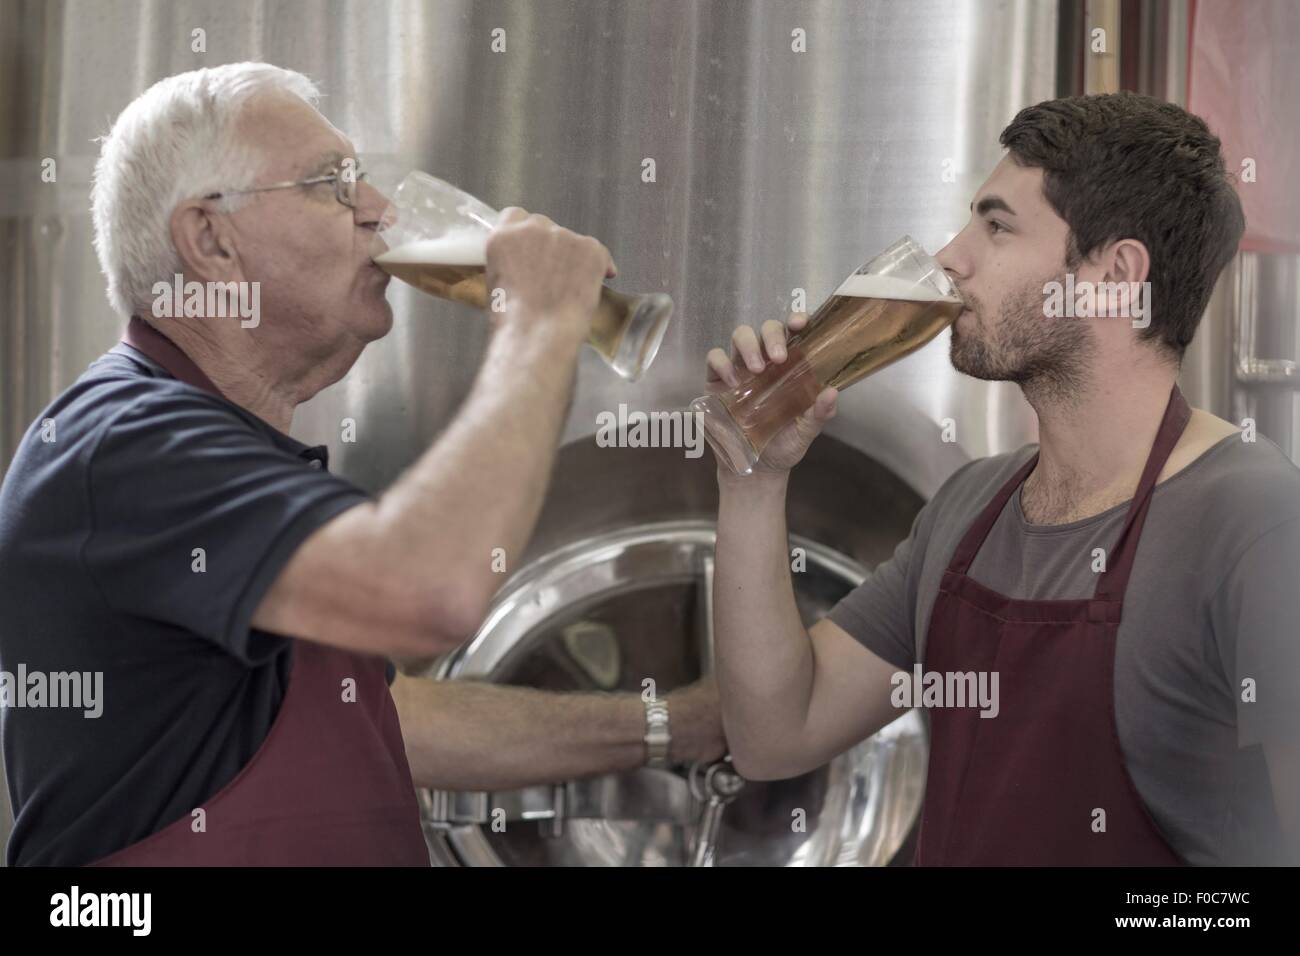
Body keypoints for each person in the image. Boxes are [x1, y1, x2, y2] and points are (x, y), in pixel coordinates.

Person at [0, 63, 723, 867]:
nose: (380, 213)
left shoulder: (221, 445)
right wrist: (541, 321)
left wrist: (675, 725)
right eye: (332, 186)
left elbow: (377, 718)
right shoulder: (130, 442)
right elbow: (430, 594)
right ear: (210, 239)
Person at [706, 92, 1299, 865]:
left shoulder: (1256, 521)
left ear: (1115, 275)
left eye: (995, 226)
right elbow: (774, 737)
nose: (951, 257)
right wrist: (751, 481)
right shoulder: (971, 505)